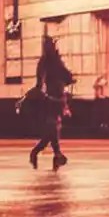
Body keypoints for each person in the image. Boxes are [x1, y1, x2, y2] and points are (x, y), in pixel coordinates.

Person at [30, 36, 74, 171]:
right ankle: (54, 155)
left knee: (53, 128)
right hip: (53, 98)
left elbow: (65, 76)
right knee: (53, 127)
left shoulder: (49, 60)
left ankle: (46, 154)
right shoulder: (51, 60)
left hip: (56, 97)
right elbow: (65, 76)